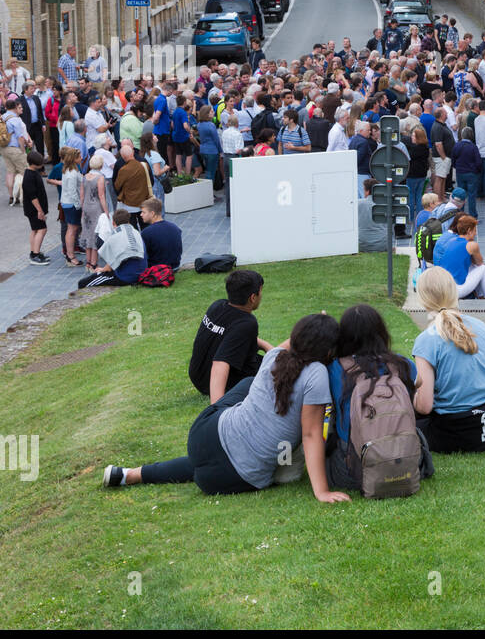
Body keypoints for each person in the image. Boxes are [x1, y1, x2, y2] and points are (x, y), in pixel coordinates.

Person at [104, 314, 349, 502]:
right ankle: (129, 475)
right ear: (328, 350)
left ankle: (128, 475)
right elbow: (310, 434)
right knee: (246, 390)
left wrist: (316, 326)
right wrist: (322, 492)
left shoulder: (274, 357)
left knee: (246, 386)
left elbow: (294, 343)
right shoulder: (316, 373)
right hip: (222, 480)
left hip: (205, 434)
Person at [411, 267, 485, 453]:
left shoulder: (427, 340)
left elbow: (424, 406)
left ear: (423, 300)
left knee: (405, 412)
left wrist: (412, 397)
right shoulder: (482, 327)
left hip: (455, 431)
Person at [324, 304, 419, 491]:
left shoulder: (334, 368)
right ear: (381, 332)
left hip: (352, 470)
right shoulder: (403, 365)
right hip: (403, 461)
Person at [188, 269, 272, 402]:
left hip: (198, 375)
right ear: (253, 297)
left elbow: (233, 338)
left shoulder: (218, 306)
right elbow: (220, 363)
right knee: (280, 371)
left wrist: (268, 348)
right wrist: (217, 407)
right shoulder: (247, 323)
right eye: (261, 291)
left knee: (274, 359)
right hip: (216, 383)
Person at [77, 208, 146, 287]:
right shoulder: (135, 232)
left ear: (113, 223)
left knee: (82, 283)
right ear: (128, 221)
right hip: (141, 272)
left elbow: (110, 267)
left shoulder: (116, 235)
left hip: (126, 277)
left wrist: (102, 270)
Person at [433, 214, 485, 299]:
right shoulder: (472, 245)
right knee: (483, 268)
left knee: (473, 266)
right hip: (455, 291)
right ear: (469, 230)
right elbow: (480, 262)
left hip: (443, 289)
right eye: (475, 230)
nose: (475, 234)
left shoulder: (450, 241)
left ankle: (481, 296)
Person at [21, 151, 50, 263]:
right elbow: (33, 196)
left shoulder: (33, 172)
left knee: (35, 229)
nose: (42, 165)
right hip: (34, 209)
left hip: (33, 208)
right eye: (40, 163)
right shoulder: (29, 176)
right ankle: (35, 254)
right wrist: (40, 211)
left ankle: (34, 252)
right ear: (34, 164)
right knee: (42, 229)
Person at [57, 147, 84, 265]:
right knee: (72, 230)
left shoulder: (70, 170)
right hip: (72, 204)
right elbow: (73, 191)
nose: (81, 158)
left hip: (68, 202)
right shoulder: (72, 173)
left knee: (71, 229)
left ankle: (70, 254)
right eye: (79, 156)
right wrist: (79, 205)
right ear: (74, 159)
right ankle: (70, 255)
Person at [140, 198, 182, 270]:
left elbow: (142, 256)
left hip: (157, 270)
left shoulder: (146, 233)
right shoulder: (175, 227)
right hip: (175, 266)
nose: (141, 215)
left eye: (144, 212)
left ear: (152, 213)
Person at [452, 127, 482, 217]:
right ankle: (473, 215)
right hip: (472, 173)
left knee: (460, 194)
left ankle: (460, 214)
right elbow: (478, 162)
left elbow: (453, 159)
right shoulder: (473, 147)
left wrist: (456, 167)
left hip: (460, 172)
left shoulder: (457, 145)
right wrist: (478, 170)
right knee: (472, 195)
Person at [357, 177, 392, 253]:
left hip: (362, 245)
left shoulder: (358, 204)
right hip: (383, 245)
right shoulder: (386, 204)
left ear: (367, 191)